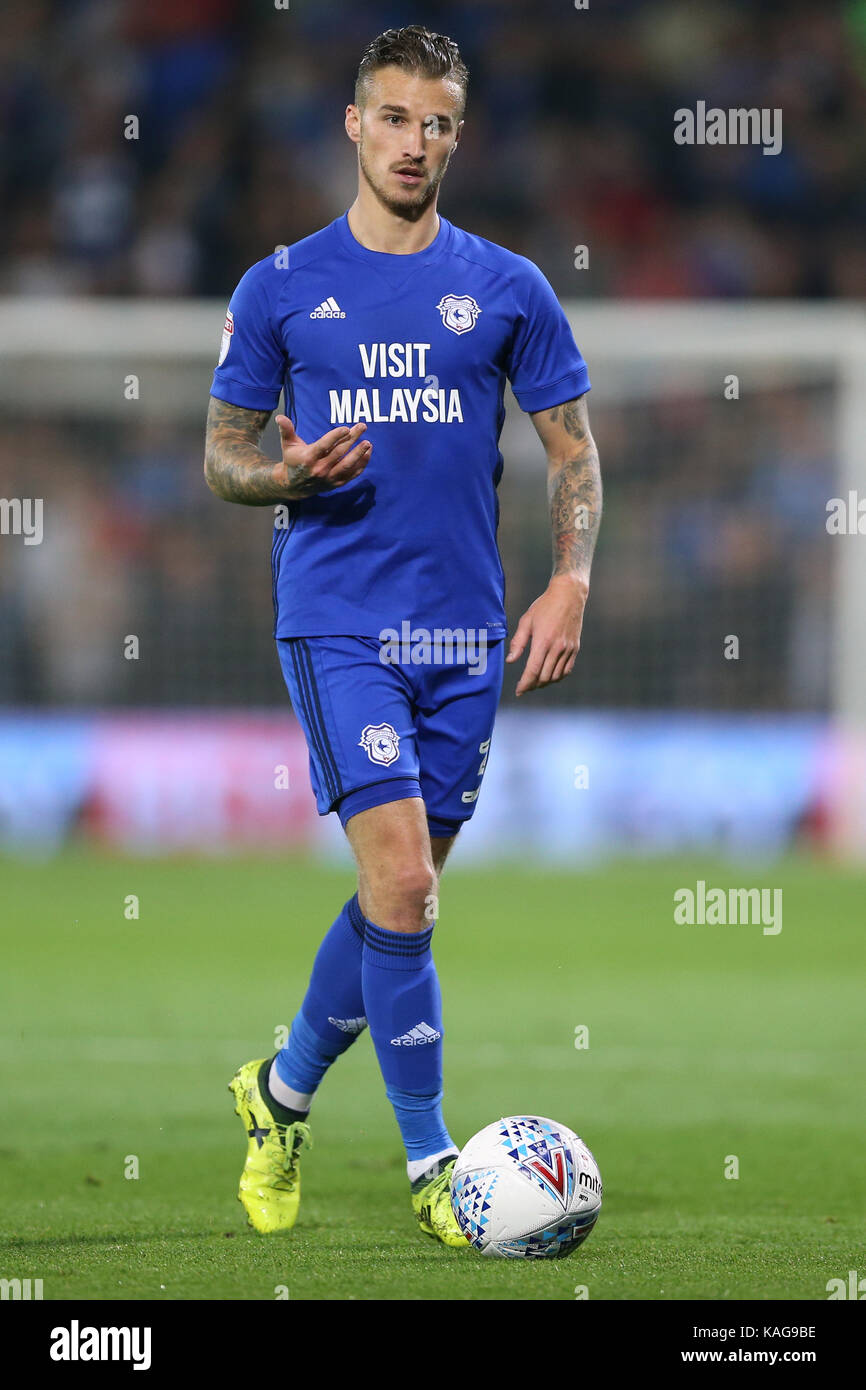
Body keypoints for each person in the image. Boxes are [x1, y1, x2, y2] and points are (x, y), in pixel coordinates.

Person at [204, 24, 602, 1245]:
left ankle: (275, 1096)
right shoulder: (278, 286)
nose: (412, 142)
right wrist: (282, 476)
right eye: (391, 117)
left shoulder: (505, 286)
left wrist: (569, 581)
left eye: (435, 123)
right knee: (406, 882)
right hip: (339, 623)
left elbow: (571, 452)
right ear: (351, 123)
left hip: (465, 637)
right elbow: (222, 460)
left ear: (456, 136)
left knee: (400, 904)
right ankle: (434, 1164)